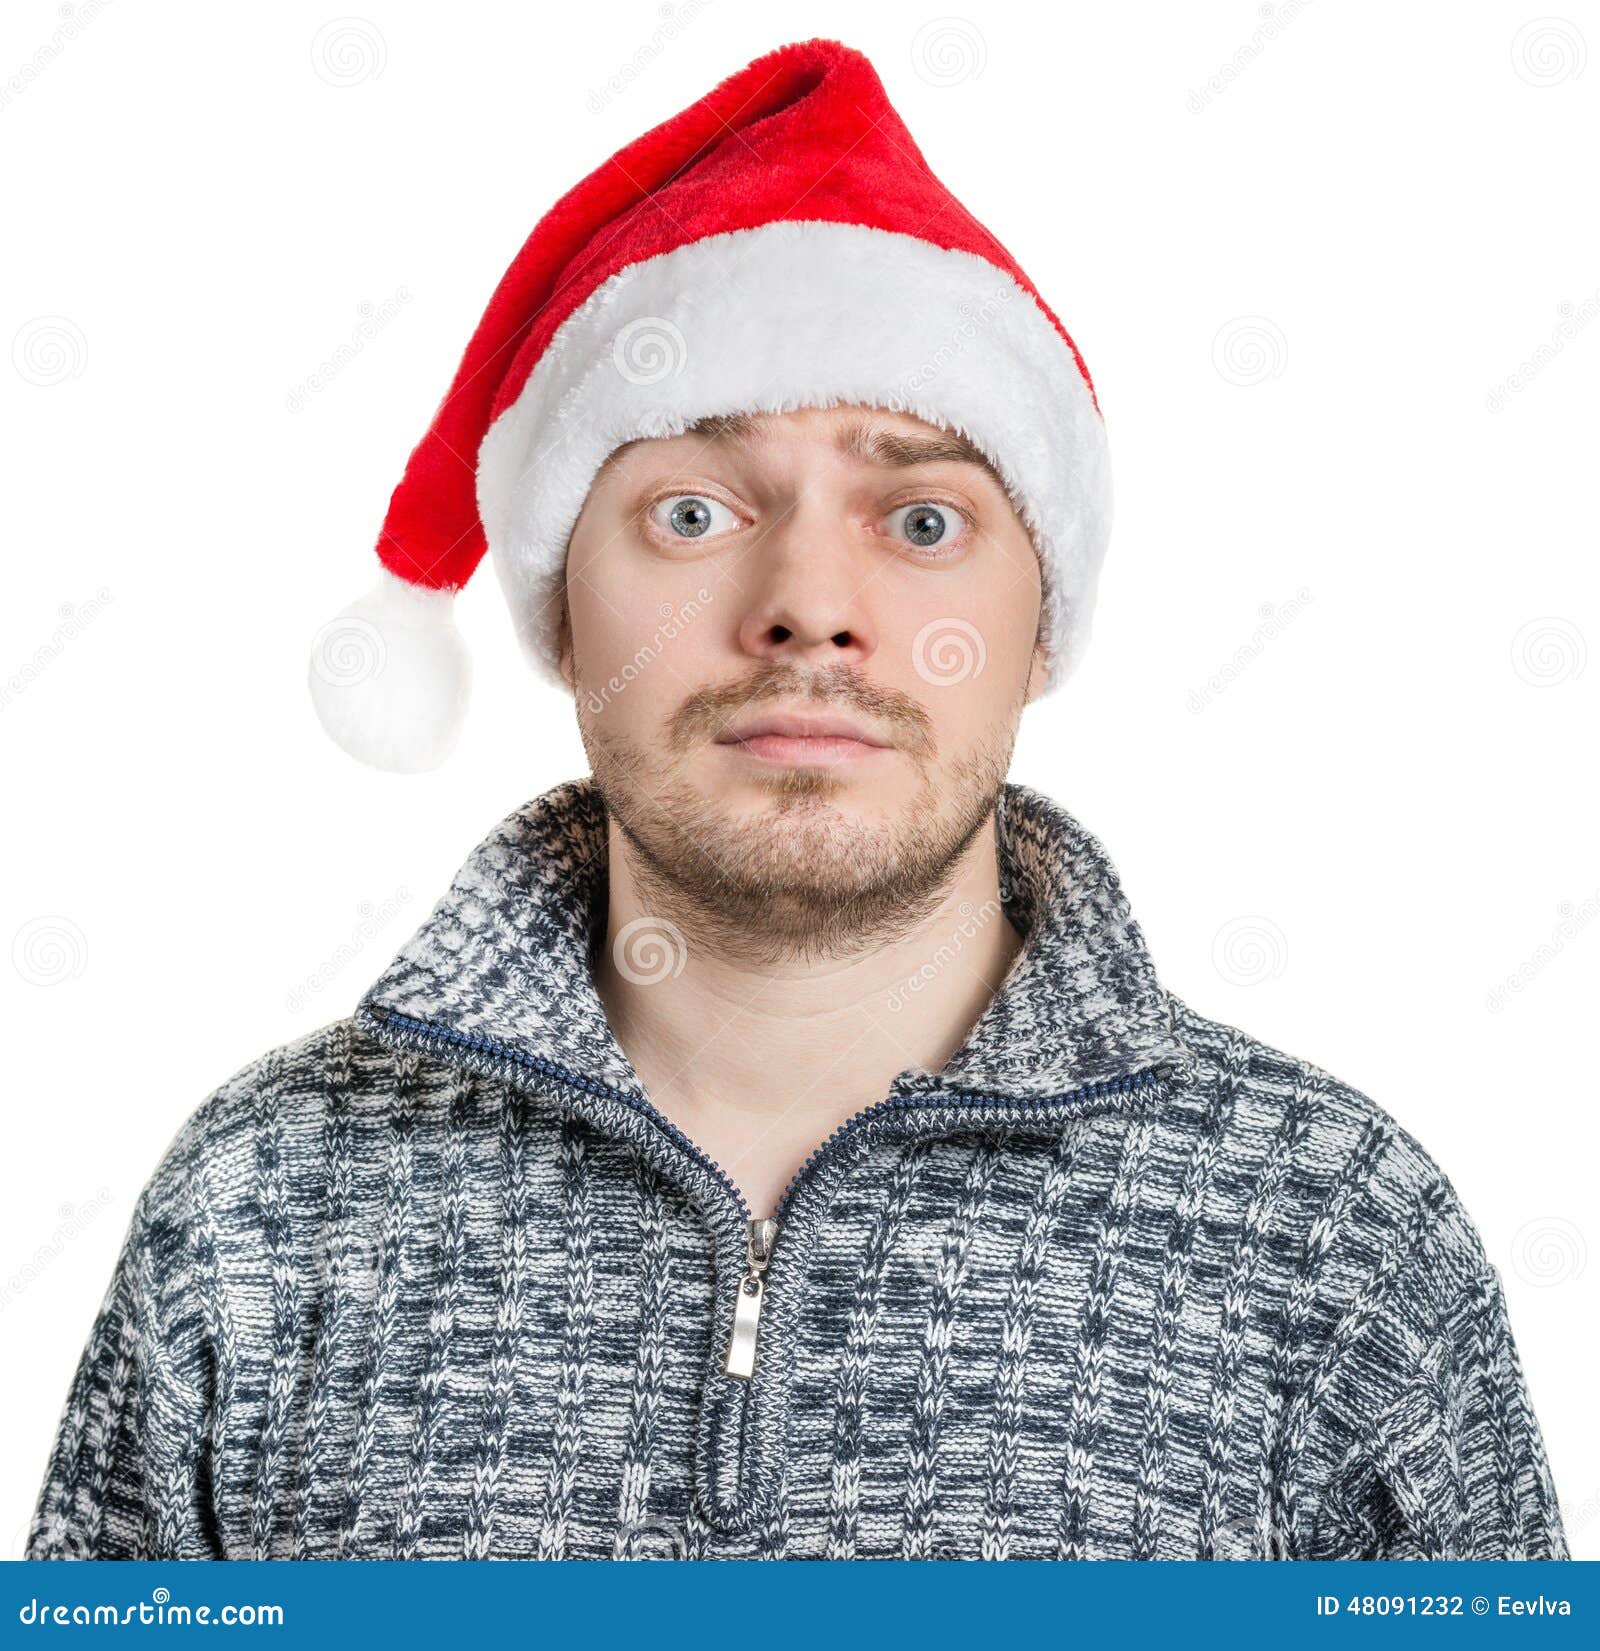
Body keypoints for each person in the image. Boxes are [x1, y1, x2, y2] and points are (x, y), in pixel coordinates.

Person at [28, 38, 1568, 1563]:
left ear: (1043, 625)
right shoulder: (261, 1204)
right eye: (693, 510)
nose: (810, 610)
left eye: (919, 516)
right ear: (561, 611)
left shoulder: (1335, 1233)